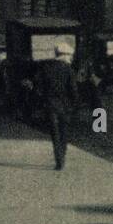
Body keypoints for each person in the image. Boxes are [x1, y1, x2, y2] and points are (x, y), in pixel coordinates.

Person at [36, 42, 79, 170]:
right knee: (63, 132)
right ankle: (62, 157)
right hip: (64, 107)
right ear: (66, 56)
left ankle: (58, 159)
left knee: (54, 133)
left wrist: (43, 100)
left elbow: (40, 88)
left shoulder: (47, 68)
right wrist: (74, 103)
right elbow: (73, 89)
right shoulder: (68, 69)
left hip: (50, 105)